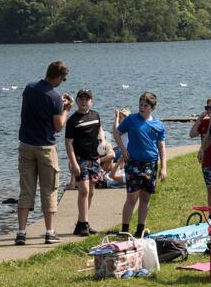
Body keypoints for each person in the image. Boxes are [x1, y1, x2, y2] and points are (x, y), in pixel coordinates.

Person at [16, 60, 73, 246]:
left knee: (26, 189)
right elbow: (58, 127)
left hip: (26, 145)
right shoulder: (55, 98)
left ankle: (21, 233)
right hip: (46, 147)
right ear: (57, 77)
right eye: (63, 79)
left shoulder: (29, 88)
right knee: (49, 189)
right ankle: (49, 232)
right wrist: (65, 109)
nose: (62, 82)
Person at [114, 91, 167, 238]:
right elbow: (117, 133)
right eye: (140, 104)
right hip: (133, 162)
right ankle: (125, 230)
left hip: (150, 164)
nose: (142, 107)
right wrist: (123, 150)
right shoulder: (131, 119)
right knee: (132, 197)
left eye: (145, 105)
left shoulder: (158, 125)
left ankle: (140, 229)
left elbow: (161, 146)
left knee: (145, 197)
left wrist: (163, 167)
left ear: (152, 107)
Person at [65, 89, 109, 237]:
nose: (84, 102)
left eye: (87, 99)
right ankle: (83, 225)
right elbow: (68, 143)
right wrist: (73, 163)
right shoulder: (72, 120)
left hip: (94, 158)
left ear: (91, 101)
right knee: (83, 190)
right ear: (77, 101)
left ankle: (83, 222)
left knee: (91, 191)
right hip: (80, 159)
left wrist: (102, 140)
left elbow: (100, 129)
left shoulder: (95, 115)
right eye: (81, 99)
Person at [190, 96, 211, 203]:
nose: (209, 110)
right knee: (210, 189)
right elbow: (192, 134)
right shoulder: (204, 122)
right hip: (206, 161)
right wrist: (199, 119)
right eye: (207, 107)